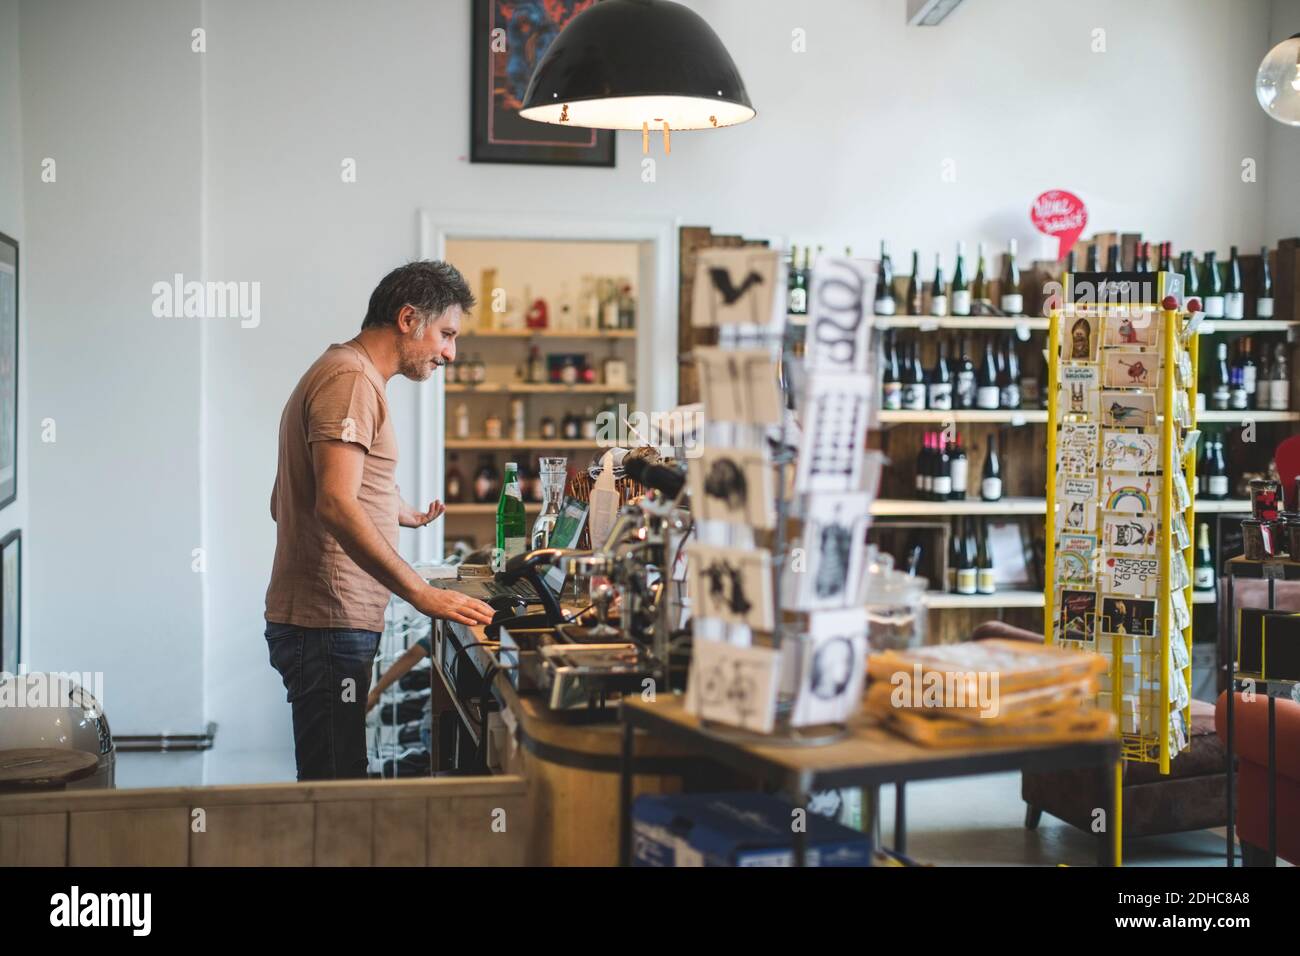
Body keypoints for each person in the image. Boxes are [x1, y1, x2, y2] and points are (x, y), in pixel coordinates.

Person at [264, 260, 494, 781]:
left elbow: (294, 496)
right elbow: (334, 504)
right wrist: (421, 593)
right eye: (447, 334)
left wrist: (392, 509)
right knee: (335, 792)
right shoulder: (351, 381)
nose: (450, 353)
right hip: (326, 622)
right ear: (409, 318)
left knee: (338, 779)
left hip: (325, 622)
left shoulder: (346, 372)